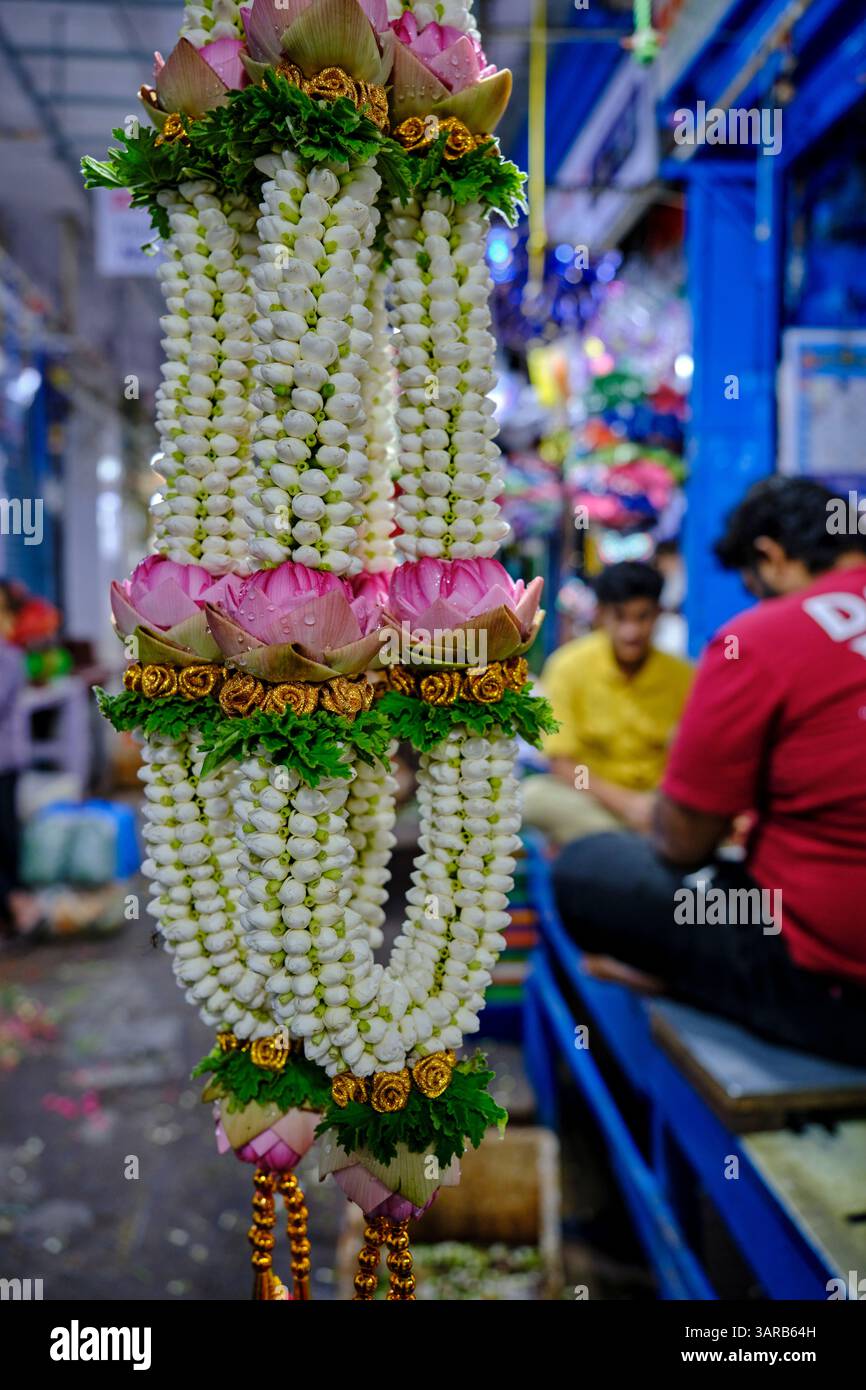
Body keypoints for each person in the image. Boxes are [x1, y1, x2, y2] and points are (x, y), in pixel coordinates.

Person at [552, 477, 866, 1065]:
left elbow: (681, 845)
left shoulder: (757, 641)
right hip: (619, 794)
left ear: (770, 556)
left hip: (827, 985)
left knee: (586, 869)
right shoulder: (574, 669)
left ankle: (695, 984)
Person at [522, 561, 693, 843]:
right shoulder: (568, 667)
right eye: (621, 617)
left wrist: (655, 805)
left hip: (657, 804)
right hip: (592, 799)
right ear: (600, 615)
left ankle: (614, 846)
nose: (632, 631)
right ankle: (638, 844)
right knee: (533, 797)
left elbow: (691, 761)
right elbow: (563, 765)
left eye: (643, 617)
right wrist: (628, 805)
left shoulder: (683, 676)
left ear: (659, 614)